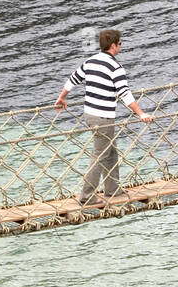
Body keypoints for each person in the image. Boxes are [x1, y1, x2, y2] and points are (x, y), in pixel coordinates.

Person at [55, 30, 153, 207]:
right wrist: (141, 113)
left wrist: (62, 98)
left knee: (111, 150)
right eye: (120, 44)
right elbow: (125, 94)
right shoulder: (115, 67)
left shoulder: (90, 61)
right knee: (100, 155)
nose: (120, 47)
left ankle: (112, 188)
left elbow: (73, 79)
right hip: (103, 117)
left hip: (90, 114)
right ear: (113, 45)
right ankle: (86, 195)